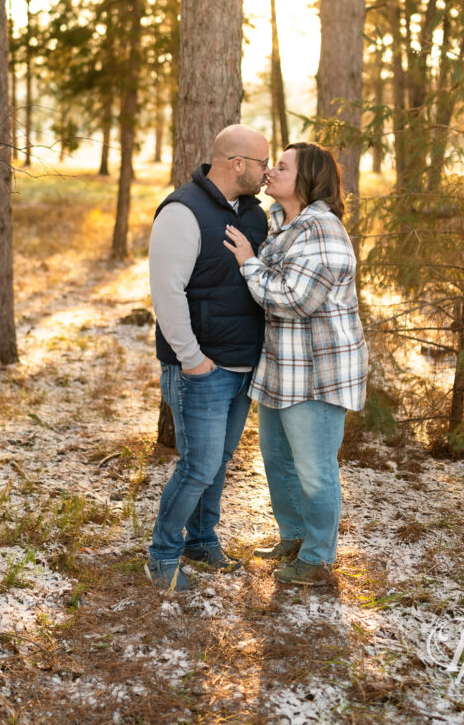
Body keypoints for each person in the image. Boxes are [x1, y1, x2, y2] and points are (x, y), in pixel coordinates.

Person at [224, 142, 367, 586]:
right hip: (283, 369)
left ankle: (319, 557)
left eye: (281, 167)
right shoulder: (285, 224)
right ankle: (295, 536)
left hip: (317, 374)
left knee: (314, 468)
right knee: (277, 459)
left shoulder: (321, 230)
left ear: (306, 181)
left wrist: (248, 263)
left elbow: (293, 299)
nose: (270, 173)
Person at [146, 124, 270, 591]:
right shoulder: (182, 212)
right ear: (237, 163)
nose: (266, 171)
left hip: (242, 368)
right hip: (201, 369)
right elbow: (167, 294)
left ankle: (201, 540)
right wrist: (192, 359)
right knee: (197, 466)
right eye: (261, 163)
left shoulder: (255, 215)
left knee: (218, 461)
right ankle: (161, 558)